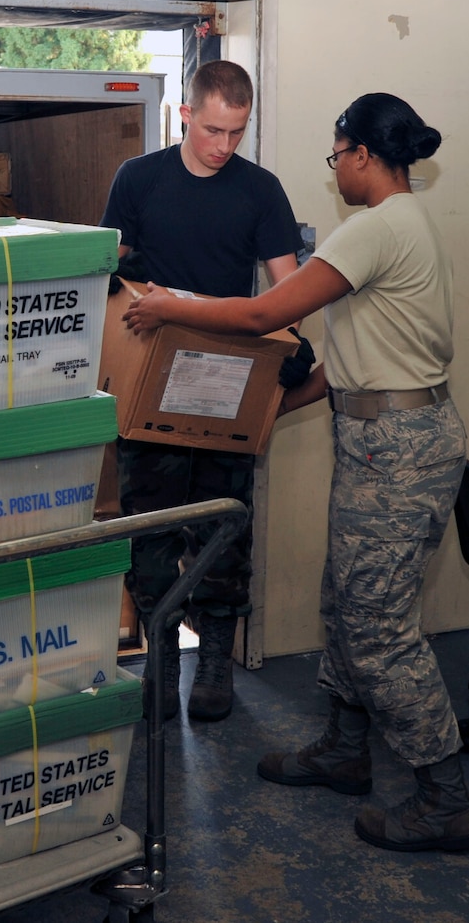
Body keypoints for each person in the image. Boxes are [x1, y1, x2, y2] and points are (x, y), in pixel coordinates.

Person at [123, 92, 469, 853]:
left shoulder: (378, 228)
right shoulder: (402, 224)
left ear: (361, 154)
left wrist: (168, 308)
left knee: (377, 626)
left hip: (399, 447)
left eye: (337, 156)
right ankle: (346, 750)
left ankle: (445, 798)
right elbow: (360, 360)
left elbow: (264, 315)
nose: (336, 171)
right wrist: (271, 410)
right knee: (346, 604)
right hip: (381, 434)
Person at [99, 59, 311, 722]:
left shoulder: (261, 190)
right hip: (151, 381)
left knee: (224, 527)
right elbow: (109, 273)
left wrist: (292, 342)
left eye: (237, 132)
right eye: (213, 129)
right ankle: (162, 661)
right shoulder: (138, 178)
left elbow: (287, 288)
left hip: (227, 381)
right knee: (150, 530)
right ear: (186, 114)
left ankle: (215, 660)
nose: (224, 145)